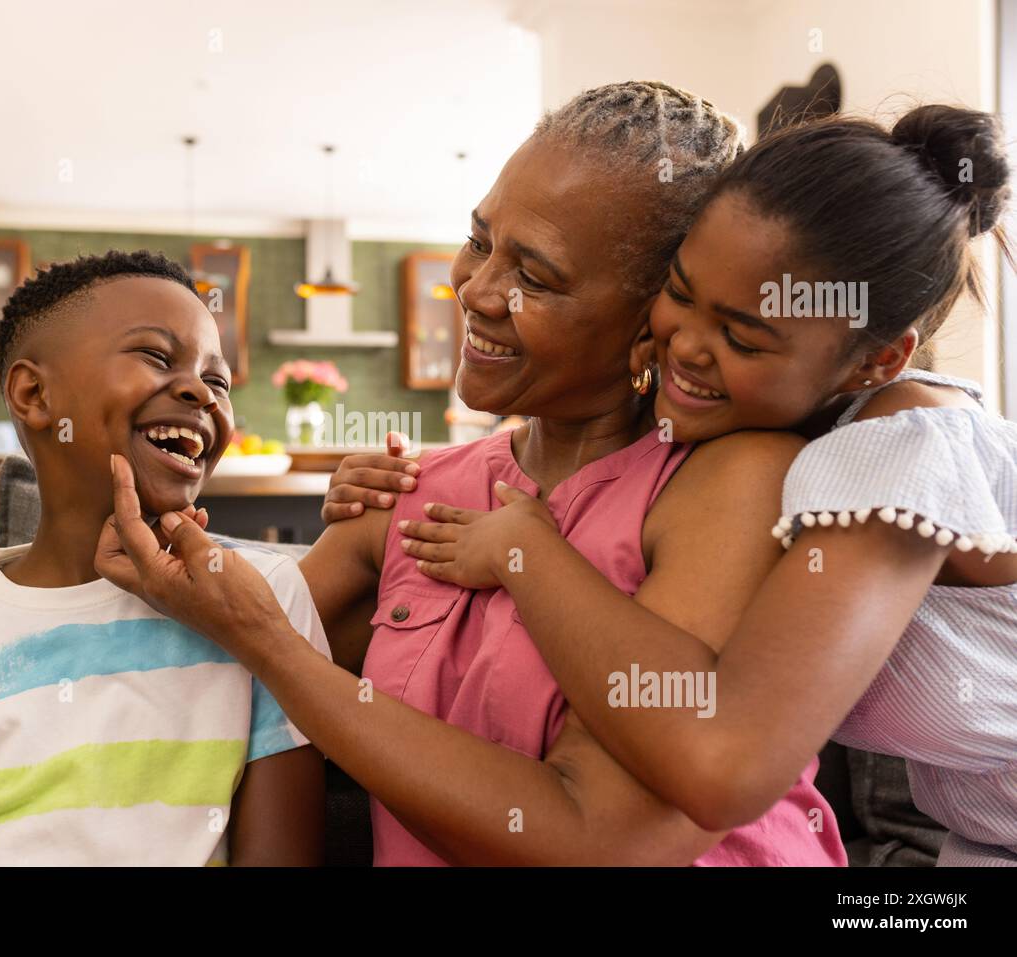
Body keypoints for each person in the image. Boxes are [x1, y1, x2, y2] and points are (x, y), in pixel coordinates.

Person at [94, 83, 846, 866]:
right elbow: (206, 683)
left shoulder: (732, 481)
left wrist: (269, 645)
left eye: (539, 276)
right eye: (481, 240)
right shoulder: (404, 494)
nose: (477, 290)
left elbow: (599, 839)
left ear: (655, 313)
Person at [371, 106, 1017, 866]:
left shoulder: (901, 449)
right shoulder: (783, 428)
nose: (686, 346)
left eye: (741, 336)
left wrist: (525, 552)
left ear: (876, 361)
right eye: (679, 292)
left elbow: (722, 767)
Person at [0, 251, 328, 865]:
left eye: (218, 381)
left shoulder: (261, 596)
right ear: (34, 394)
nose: (199, 391)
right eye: (157, 357)